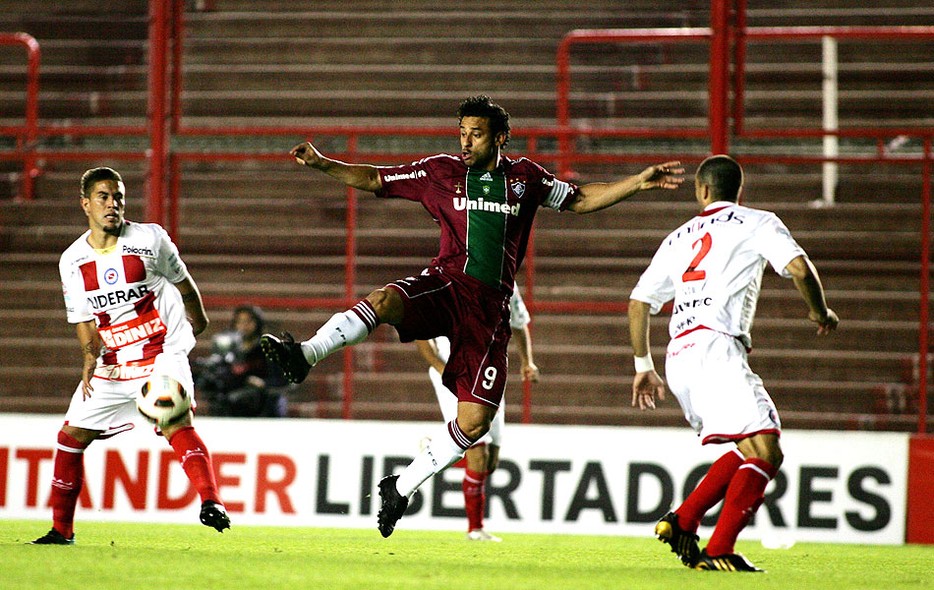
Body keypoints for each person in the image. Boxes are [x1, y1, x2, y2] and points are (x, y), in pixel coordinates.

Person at [260, 95, 683, 538]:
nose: (465, 141)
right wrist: (324, 163)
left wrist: (637, 182)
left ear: (499, 138)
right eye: (462, 132)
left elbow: (578, 199)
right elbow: (374, 177)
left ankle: (400, 486)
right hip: (446, 286)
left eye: (475, 134)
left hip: (489, 312)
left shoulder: (525, 180)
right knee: (384, 300)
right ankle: (304, 354)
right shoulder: (440, 172)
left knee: (475, 423)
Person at [627, 154, 839, 572]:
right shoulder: (757, 221)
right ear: (737, 191)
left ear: (701, 190)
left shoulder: (678, 236)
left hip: (678, 356)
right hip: (716, 347)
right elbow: (798, 267)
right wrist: (820, 311)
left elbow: (639, 301)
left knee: (749, 447)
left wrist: (641, 366)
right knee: (766, 448)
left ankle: (683, 520)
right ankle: (720, 547)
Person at [32, 167, 230, 545]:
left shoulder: (151, 238)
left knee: (172, 417)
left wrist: (198, 324)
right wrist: (89, 359)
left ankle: (211, 501)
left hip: (161, 352)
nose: (113, 204)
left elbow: (183, 282)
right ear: (85, 204)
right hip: (114, 361)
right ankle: (61, 530)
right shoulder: (71, 259)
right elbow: (84, 319)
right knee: (69, 438)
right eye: (104, 197)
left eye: (118, 196)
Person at [415, 287, 539, 542]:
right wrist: (443, 370)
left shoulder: (508, 286)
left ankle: (435, 449)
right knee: (478, 453)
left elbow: (518, 322)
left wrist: (527, 361)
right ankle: (475, 529)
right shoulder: (448, 282)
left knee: (489, 463)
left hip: (490, 373)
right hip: (455, 375)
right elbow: (420, 333)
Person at [196, 305, 289, 417]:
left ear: (257, 323)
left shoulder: (267, 348)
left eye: (248, 321)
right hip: (233, 401)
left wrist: (263, 383)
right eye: (240, 322)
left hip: (262, 402)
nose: (243, 326)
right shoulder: (229, 348)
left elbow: (283, 380)